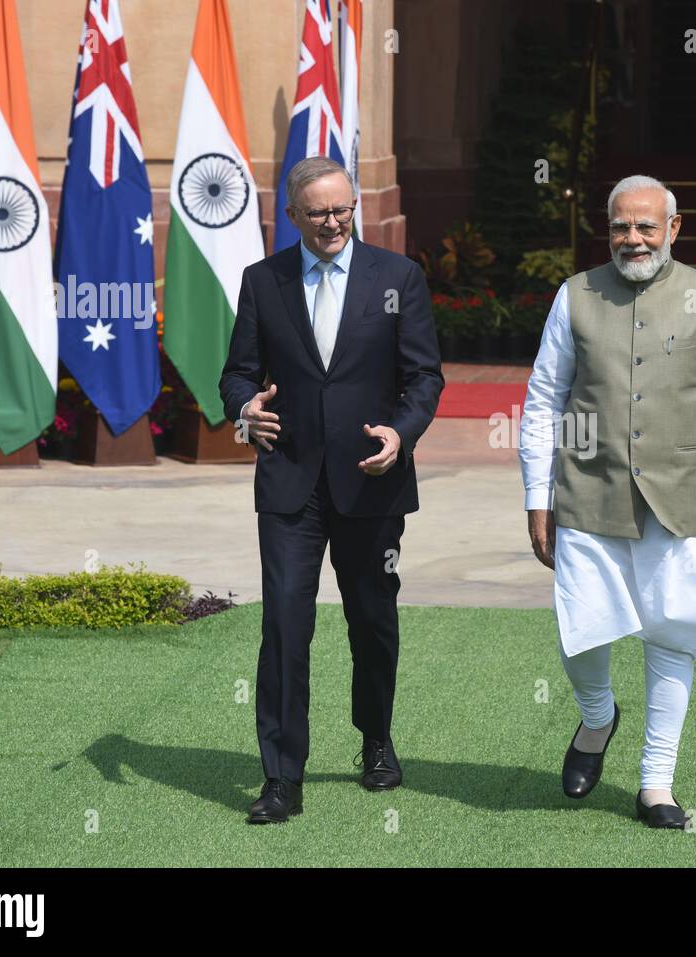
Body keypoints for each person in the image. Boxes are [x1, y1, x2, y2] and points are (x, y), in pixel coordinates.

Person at [519, 174, 696, 829]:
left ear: (674, 228)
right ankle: (598, 718)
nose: (633, 240)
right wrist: (536, 496)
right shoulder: (574, 295)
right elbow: (545, 400)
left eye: (646, 227)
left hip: (680, 502)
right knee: (581, 627)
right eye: (621, 228)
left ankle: (655, 784)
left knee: (671, 634)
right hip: (586, 493)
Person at [219, 156, 443, 824]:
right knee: (285, 624)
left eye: (342, 209)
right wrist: (245, 408)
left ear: (356, 208)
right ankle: (282, 775)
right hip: (289, 482)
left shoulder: (399, 278)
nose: (332, 222)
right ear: (293, 216)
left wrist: (401, 434)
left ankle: (376, 738)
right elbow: (236, 373)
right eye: (317, 212)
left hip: (372, 482)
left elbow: (424, 377)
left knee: (372, 621)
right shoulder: (264, 282)